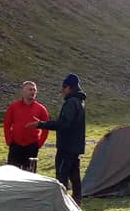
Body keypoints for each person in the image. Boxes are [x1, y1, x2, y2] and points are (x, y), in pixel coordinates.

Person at [27, 73, 86, 202]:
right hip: (75, 147)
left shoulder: (71, 102)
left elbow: (64, 124)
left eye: (63, 89)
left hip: (66, 147)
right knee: (75, 175)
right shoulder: (80, 102)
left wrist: (41, 124)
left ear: (68, 88)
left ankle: (62, 203)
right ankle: (77, 201)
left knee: (62, 176)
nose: (62, 92)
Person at [3, 81, 49, 171]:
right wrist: (9, 141)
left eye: (34, 90)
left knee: (30, 173)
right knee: (12, 173)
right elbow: (7, 125)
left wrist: (39, 144)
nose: (33, 92)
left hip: (32, 146)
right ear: (23, 91)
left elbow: (46, 127)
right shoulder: (13, 107)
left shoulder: (41, 109)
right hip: (15, 145)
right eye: (30, 90)